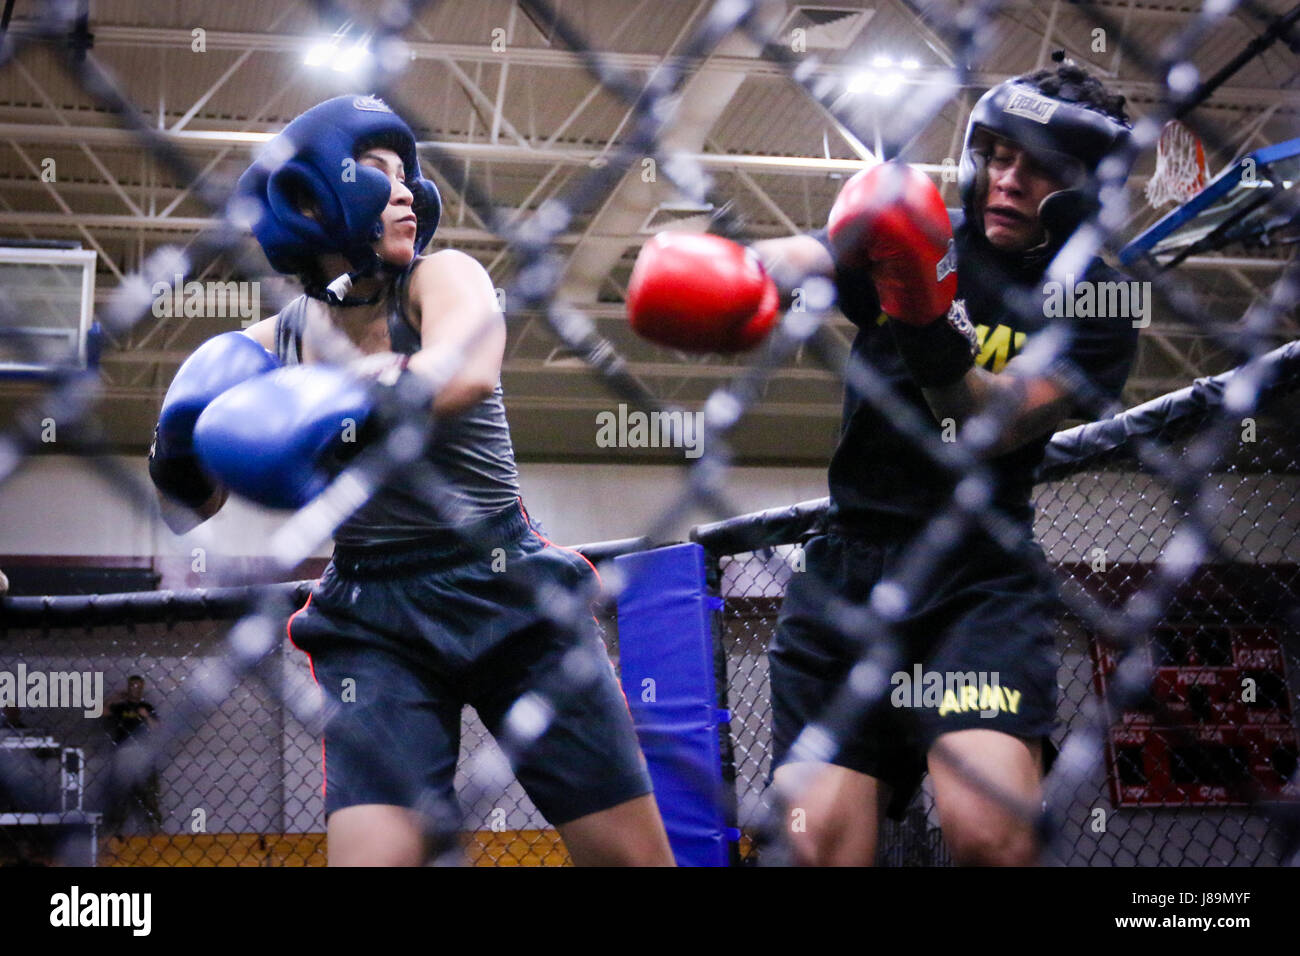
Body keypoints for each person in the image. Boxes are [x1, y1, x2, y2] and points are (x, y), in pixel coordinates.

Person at [628, 59, 1139, 865]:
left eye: (1040, 167)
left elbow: (989, 422)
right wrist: (741, 269)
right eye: (999, 156)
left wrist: (922, 310)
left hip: (978, 584)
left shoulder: (1102, 309)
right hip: (844, 577)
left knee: (989, 836)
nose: (1008, 180)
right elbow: (812, 256)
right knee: (820, 848)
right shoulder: (921, 228)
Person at [147, 95, 673, 866]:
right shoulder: (269, 344)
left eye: (409, 176)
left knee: (632, 862)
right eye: (379, 173)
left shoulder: (441, 277)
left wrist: (340, 396)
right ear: (309, 195)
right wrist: (182, 450)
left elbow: (462, 368)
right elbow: (188, 509)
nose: (407, 193)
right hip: (373, 620)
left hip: (506, 589)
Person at [104, 675, 163, 834]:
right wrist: (116, 697)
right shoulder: (121, 707)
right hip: (123, 752)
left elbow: (157, 727)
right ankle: (116, 830)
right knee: (120, 794)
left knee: (149, 793)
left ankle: (155, 828)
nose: (135, 690)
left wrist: (146, 716)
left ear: (142, 688)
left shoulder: (146, 707)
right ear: (128, 687)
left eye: (138, 687)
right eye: (132, 686)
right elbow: (98, 712)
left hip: (143, 752)